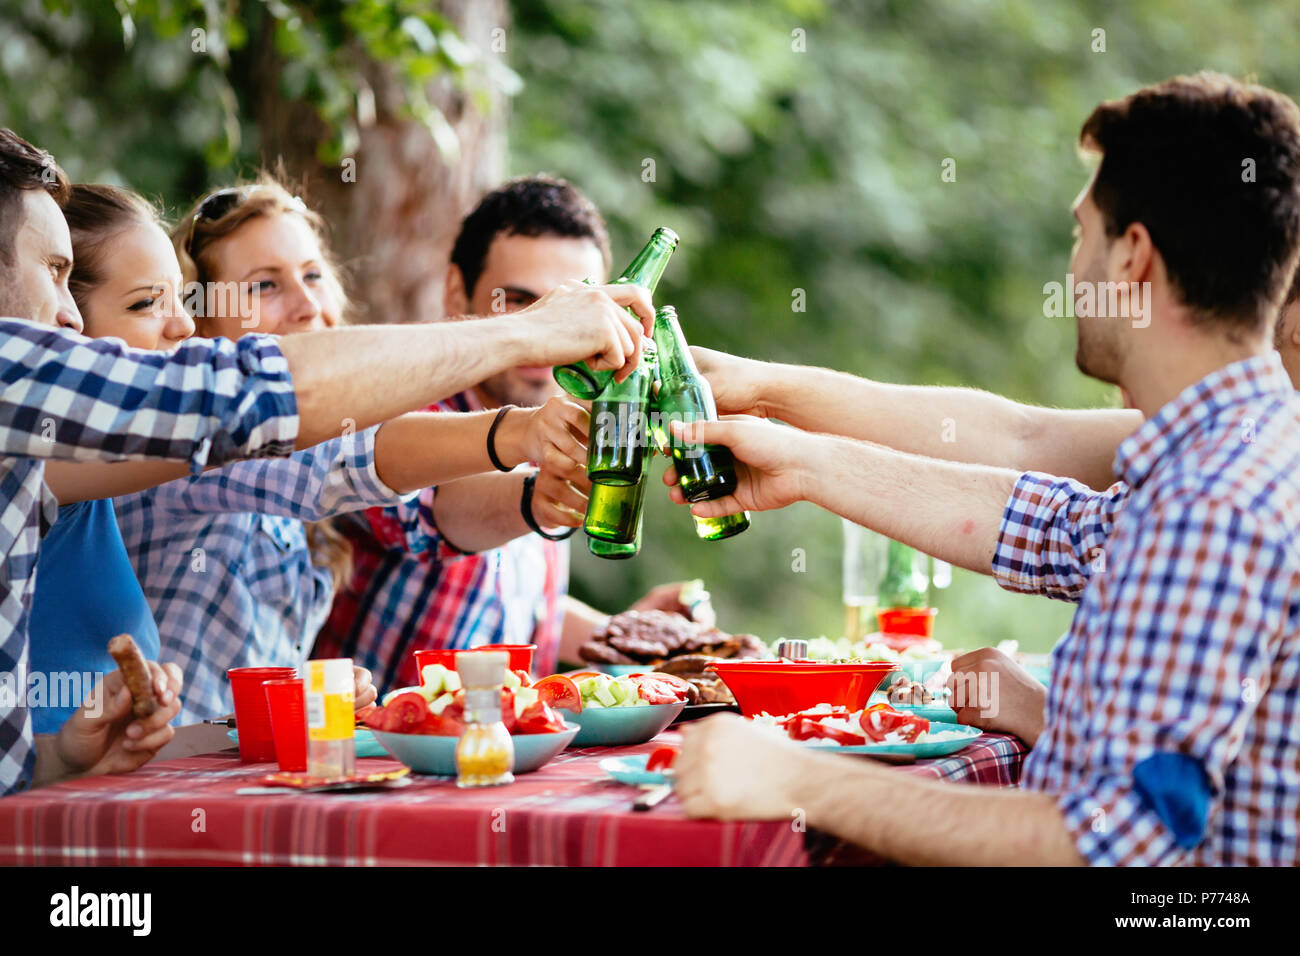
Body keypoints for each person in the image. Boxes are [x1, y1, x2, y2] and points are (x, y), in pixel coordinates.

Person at [670, 73, 1300, 866]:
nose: (1074, 270)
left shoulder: (1211, 504)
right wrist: (802, 462)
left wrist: (802, 779)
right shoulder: (1238, 453)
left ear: (1133, 256)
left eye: (1083, 236)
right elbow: (1044, 522)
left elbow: (1111, 841)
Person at [0, 130, 654, 794]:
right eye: (262, 285)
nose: (180, 326)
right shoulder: (133, 438)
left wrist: (61, 759)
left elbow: (405, 493)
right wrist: (526, 381)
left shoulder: (70, 449)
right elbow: (333, 450)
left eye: (313, 275)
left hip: (179, 785)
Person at [39, 180, 594, 723]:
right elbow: (354, 461)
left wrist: (303, 693)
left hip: (219, 781)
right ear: (204, 320)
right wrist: (520, 428)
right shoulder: (175, 439)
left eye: (312, 275)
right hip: (160, 790)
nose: (307, 305)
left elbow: (425, 507)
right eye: (264, 286)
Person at [317, 176, 694, 688]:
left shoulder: (558, 417)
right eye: (520, 302)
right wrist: (538, 498)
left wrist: (622, 633)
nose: (550, 335)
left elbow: (508, 601)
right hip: (377, 759)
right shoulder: (403, 405)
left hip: (502, 755)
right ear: (457, 290)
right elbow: (439, 511)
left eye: (575, 309)